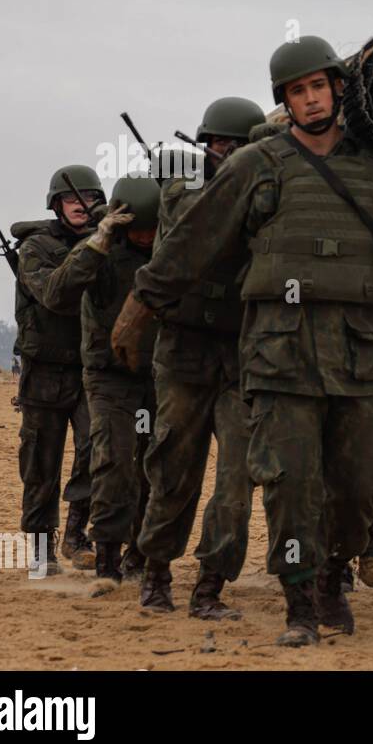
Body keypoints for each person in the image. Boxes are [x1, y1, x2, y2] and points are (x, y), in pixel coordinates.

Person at [111, 35, 373, 646]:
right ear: (285, 100)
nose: (310, 100)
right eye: (296, 91)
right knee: (289, 483)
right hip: (279, 353)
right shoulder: (255, 166)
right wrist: (138, 307)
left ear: (338, 89)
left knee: (364, 485)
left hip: (362, 353)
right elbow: (191, 243)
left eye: (318, 87)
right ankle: (301, 602)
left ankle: (336, 571)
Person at [134, 96, 266, 618]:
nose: (223, 151)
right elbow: (200, 223)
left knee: (237, 482)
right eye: (216, 144)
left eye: (235, 145)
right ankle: (156, 572)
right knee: (172, 470)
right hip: (185, 351)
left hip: (241, 353)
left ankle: (210, 586)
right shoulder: (183, 188)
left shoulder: (266, 188)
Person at [56, 175, 162, 582]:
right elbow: (59, 292)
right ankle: (107, 561)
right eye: (136, 228)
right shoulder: (100, 254)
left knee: (153, 470)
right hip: (109, 379)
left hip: (158, 376)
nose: (144, 236)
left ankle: (139, 556)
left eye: (152, 228)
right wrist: (97, 241)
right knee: (113, 465)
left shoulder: (168, 251)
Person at [11, 165, 104, 573]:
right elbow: (56, 297)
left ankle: (76, 534)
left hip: (92, 368)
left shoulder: (109, 243)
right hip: (46, 369)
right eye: (72, 199)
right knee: (40, 462)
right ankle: (39, 549)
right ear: (56, 204)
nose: (82, 206)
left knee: (94, 450)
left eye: (90, 198)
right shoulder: (37, 247)